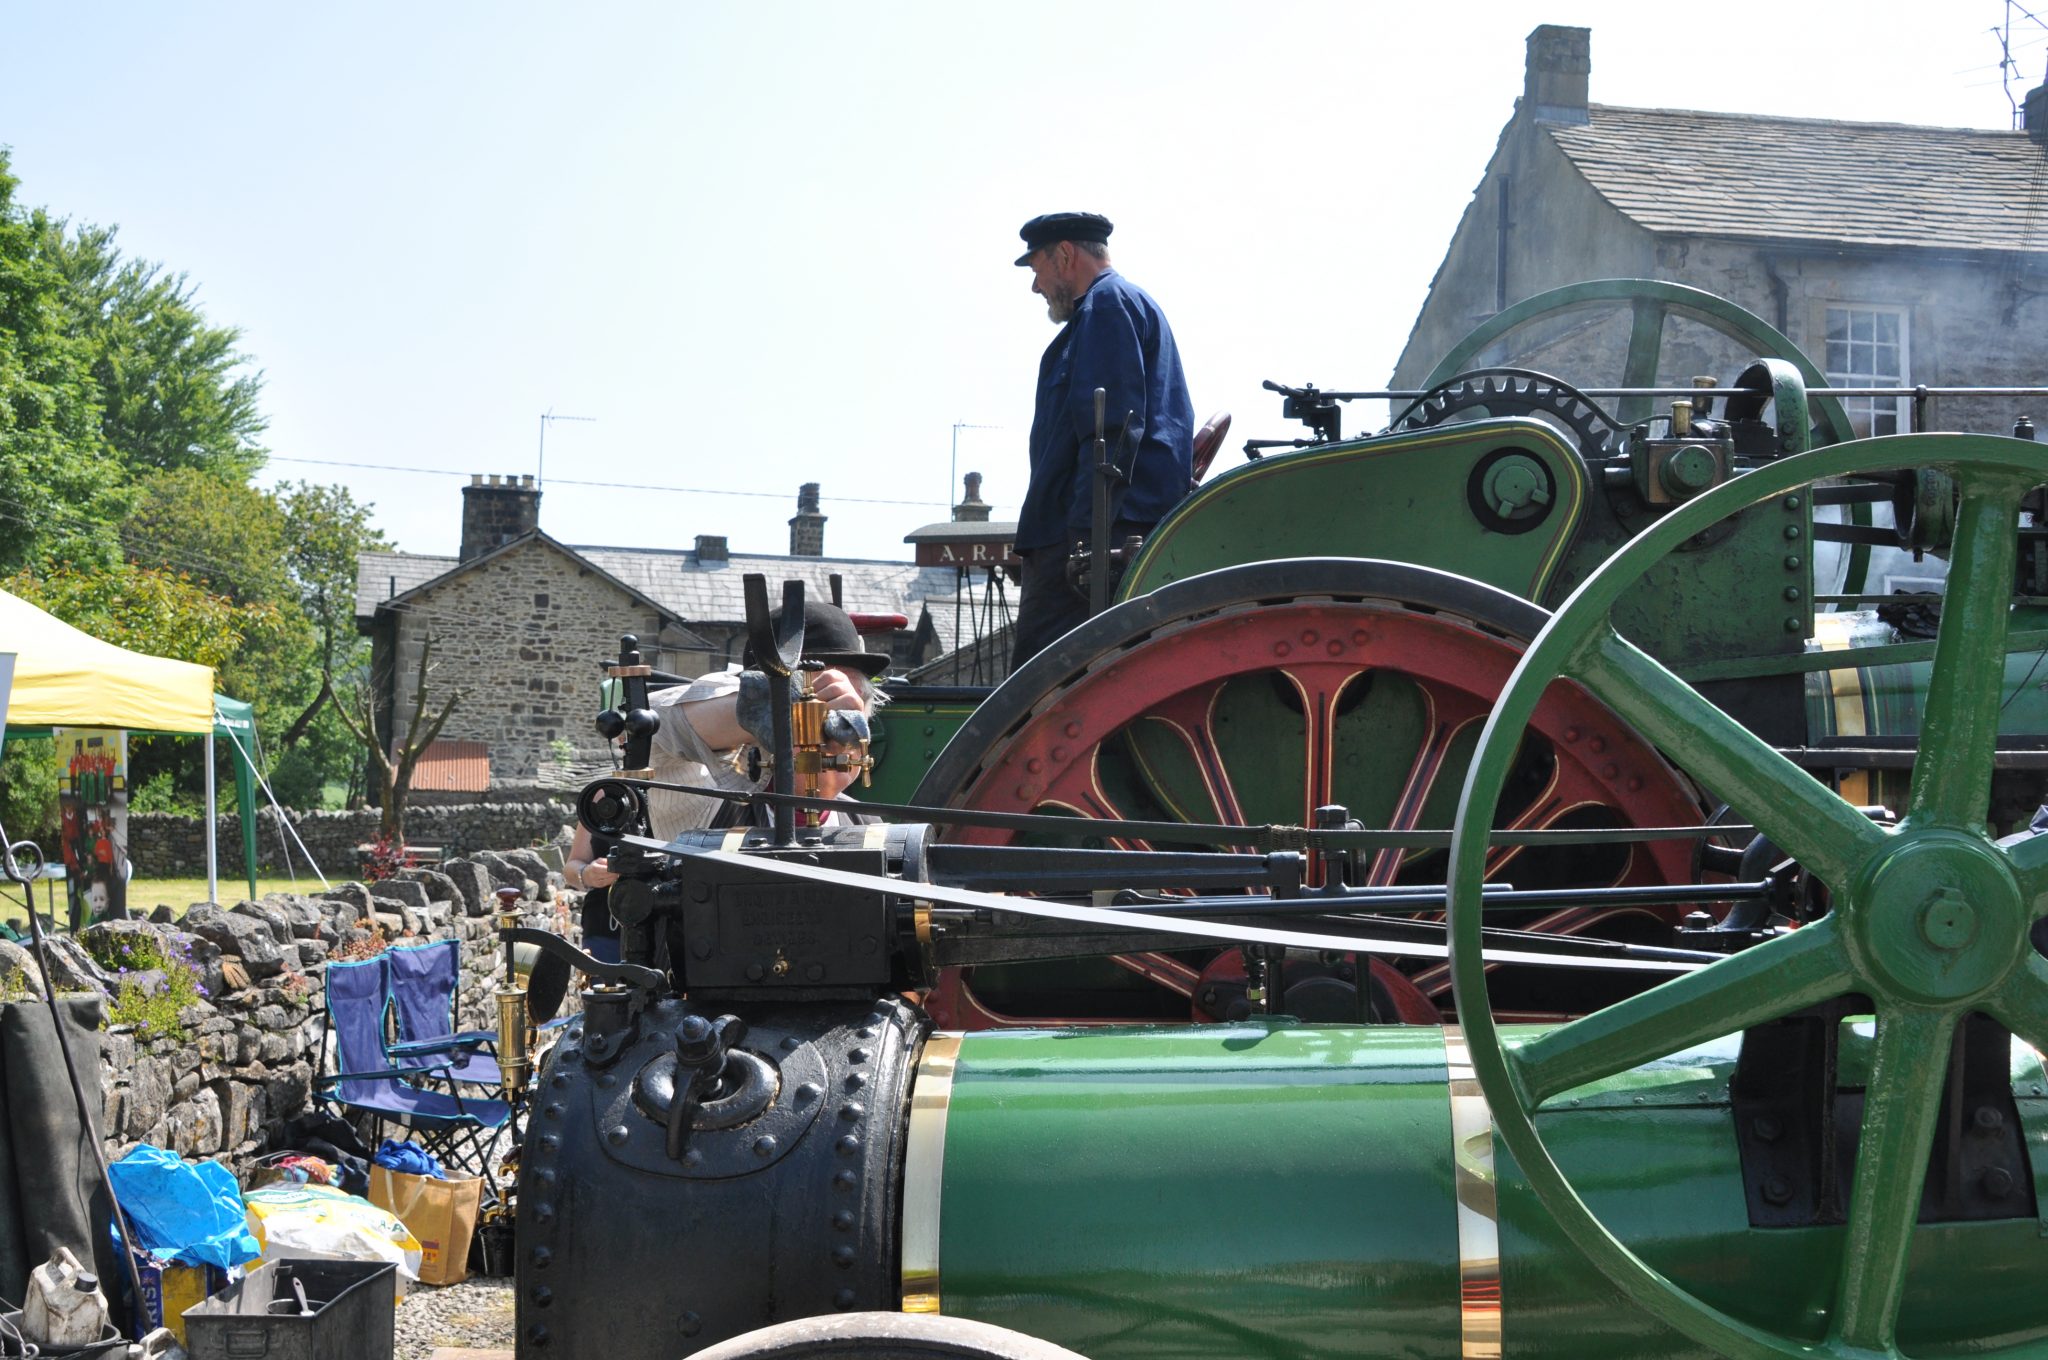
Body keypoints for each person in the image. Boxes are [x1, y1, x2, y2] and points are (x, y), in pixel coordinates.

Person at [566, 600, 889, 961]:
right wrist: (782, 700)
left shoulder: (868, 825)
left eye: (849, 713)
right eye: (818, 713)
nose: (831, 733)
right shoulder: (706, 798)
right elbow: (647, 731)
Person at [1010, 211, 1195, 667]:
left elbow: (1110, 428)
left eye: (1036, 269)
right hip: (1102, 528)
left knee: (1035, 689)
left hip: (1086, 536)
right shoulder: (1124, 304)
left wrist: (1085, 539)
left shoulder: (1107, 306)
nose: (1035, 287)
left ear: (1066, 255)